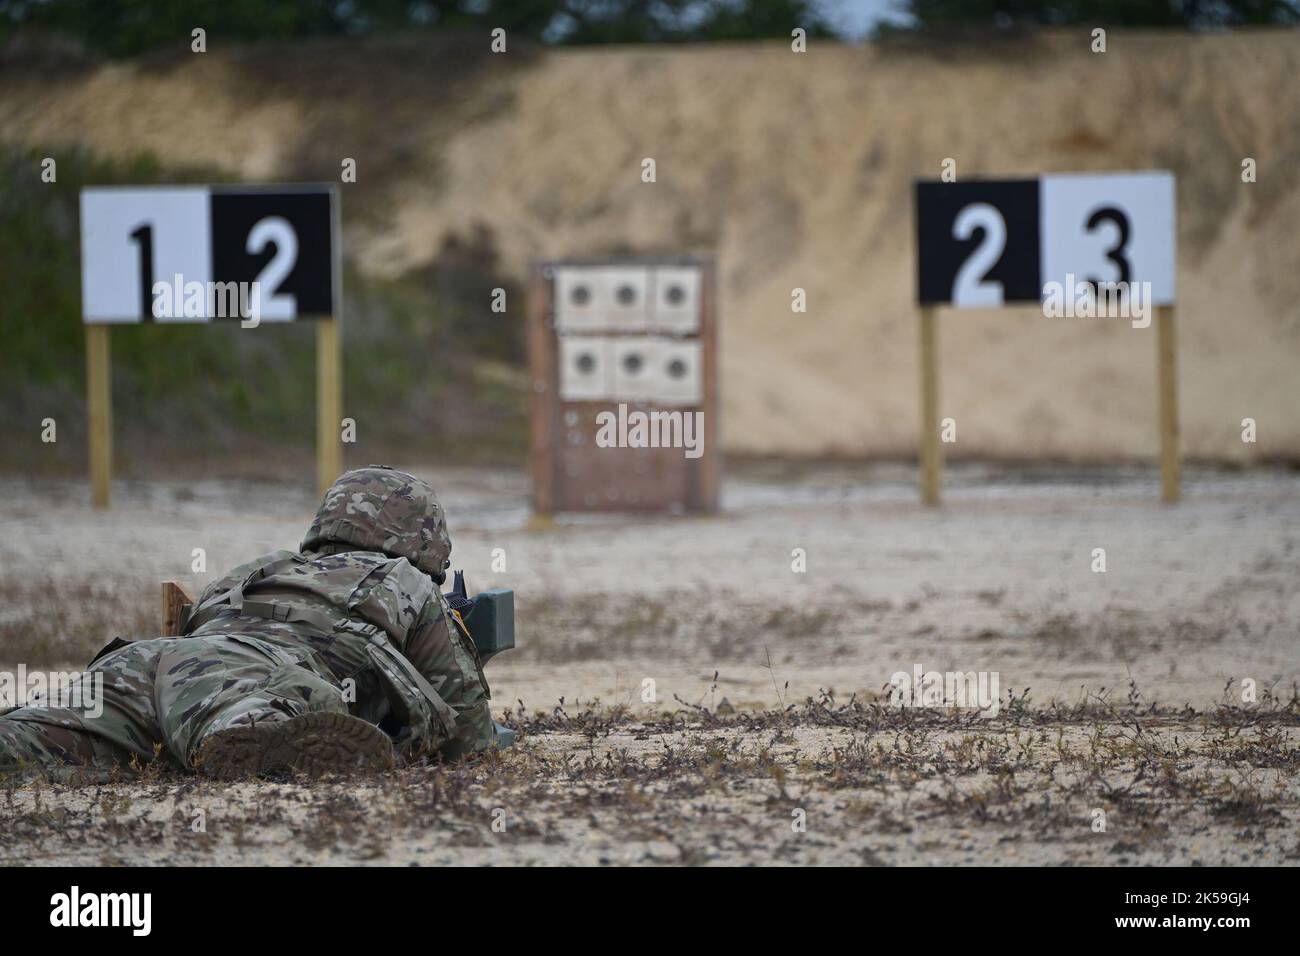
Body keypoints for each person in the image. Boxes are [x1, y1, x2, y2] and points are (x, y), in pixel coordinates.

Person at [0, 466, 496, 779]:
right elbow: (466, 735)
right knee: (283, 708)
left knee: (29, 742)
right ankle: (255, 735)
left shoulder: (265, 566)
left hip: (147, 663)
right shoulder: (403, 579)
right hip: (263, 674)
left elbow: (198, 629)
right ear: (424, 540)